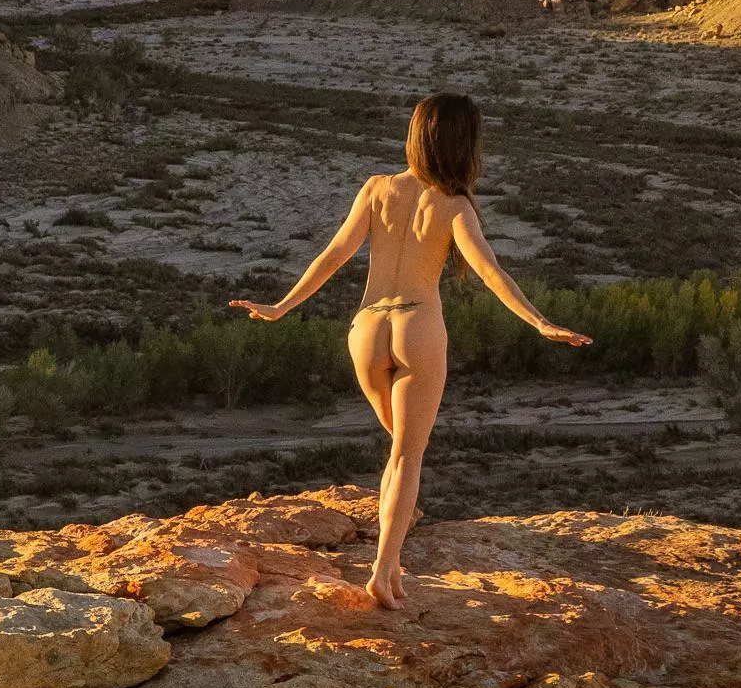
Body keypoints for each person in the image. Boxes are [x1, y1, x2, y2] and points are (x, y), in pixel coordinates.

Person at [231, 91, 591, 608]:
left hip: (366, 330)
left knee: (398, 451)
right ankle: (382, 570)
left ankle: (392, 561)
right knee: (406, 455)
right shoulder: (453, 205)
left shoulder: (377, 189)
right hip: (418, 327)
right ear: (465, 146)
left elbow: (333, 255)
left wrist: (281, 306)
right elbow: (491, 271)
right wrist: (539, 322)